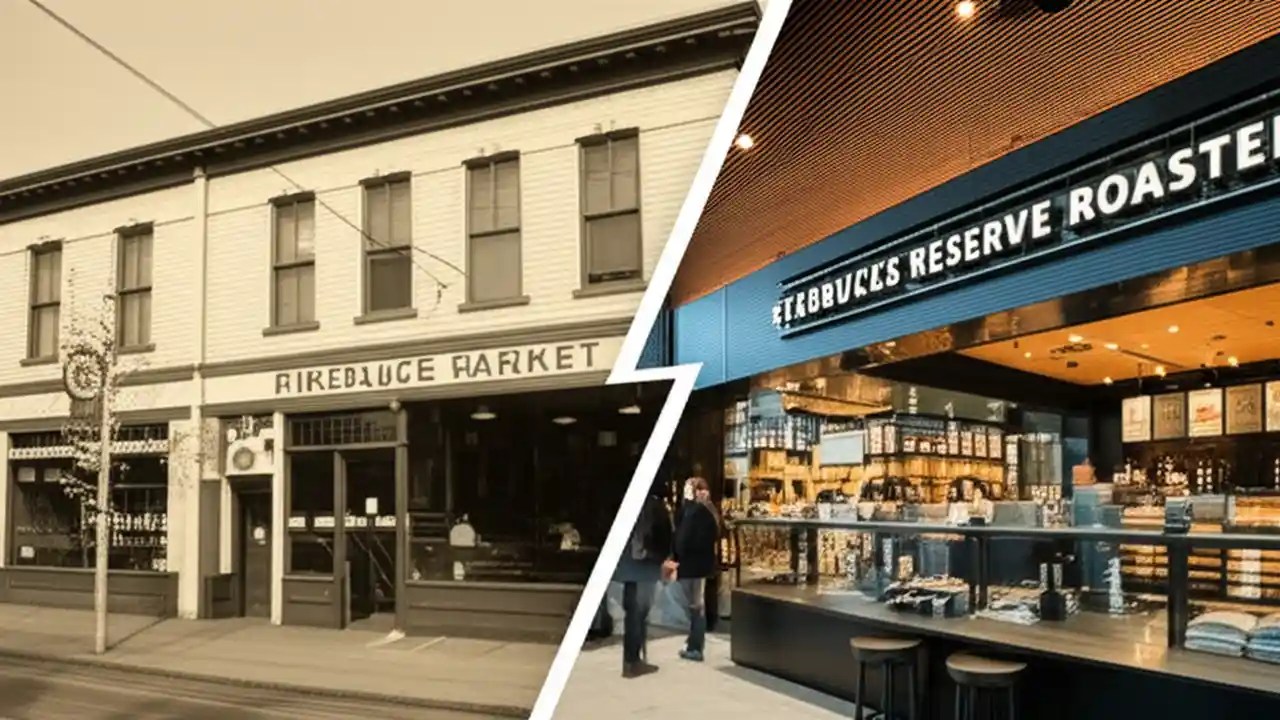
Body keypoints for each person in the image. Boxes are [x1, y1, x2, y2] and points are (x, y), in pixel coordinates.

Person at [613, 479, 672, 678]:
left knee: (632, 613)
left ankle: (631, 660)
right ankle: (633, 661)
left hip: (630, 568)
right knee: (638, 615)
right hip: (642, 568)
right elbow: (645, 541)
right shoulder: (652, 506)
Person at [672, 475, 720, 662]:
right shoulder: (698, 510)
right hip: (695, 564)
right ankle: (693, 641)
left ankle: (695, 646)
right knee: (693, 606)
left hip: (694, 564)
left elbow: (686, 537)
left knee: (696, 607)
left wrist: (679, 552)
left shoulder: (699, 511)